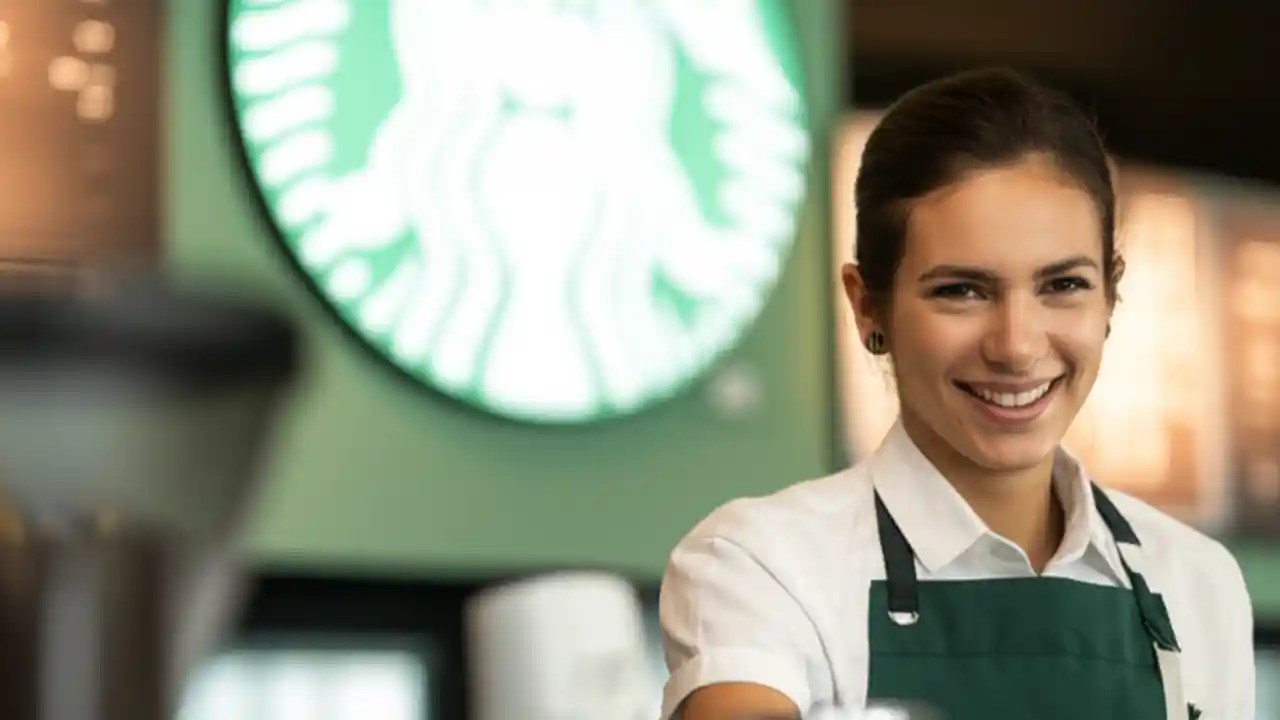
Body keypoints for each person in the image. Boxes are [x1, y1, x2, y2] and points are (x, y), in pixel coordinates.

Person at [658, 67, 1255, 720]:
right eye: (961, 291)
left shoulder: (1198, 582)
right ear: (868, 309)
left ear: (1111, 294)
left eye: (1063, 285)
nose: (1017, 345)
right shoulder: (763, 562)